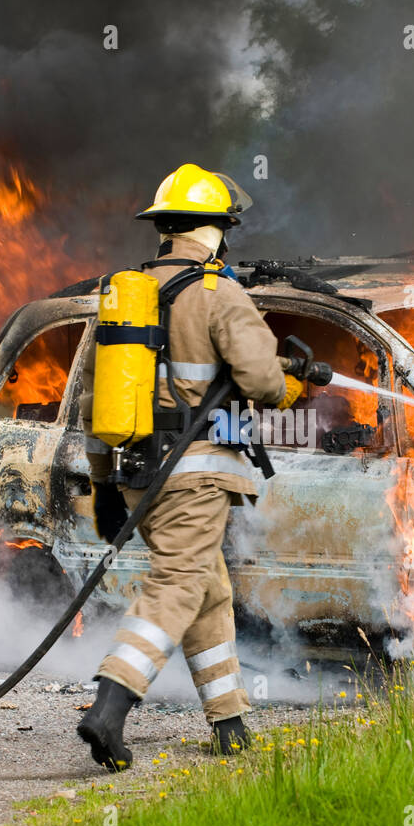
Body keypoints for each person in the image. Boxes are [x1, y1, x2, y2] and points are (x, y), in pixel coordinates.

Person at [76, 163, 305, 771]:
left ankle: (230, 725)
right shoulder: (216, 292)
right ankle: (109, 708)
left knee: (208, 590)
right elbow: (261, 380)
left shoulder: (125, 296)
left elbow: (92, 405)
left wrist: (102, 487)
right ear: (216, 231)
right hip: (196, 475)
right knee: (178, 582)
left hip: (135, 475)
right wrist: (292, 387)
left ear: (165, 229)